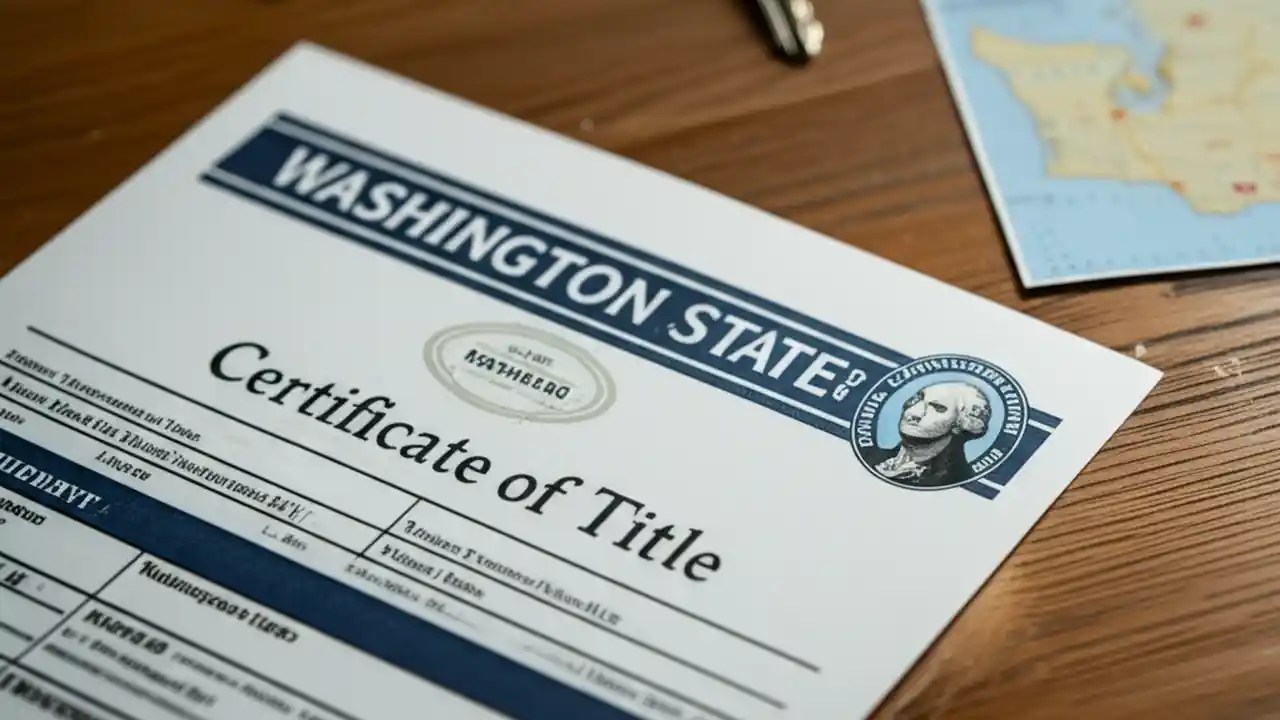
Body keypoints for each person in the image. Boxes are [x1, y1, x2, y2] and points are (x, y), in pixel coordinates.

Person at [865, 381, 992, 488]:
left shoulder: (956, 479)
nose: (914, 413)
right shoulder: (875, 457)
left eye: (937, 408)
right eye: (916, 400)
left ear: (960, 424)